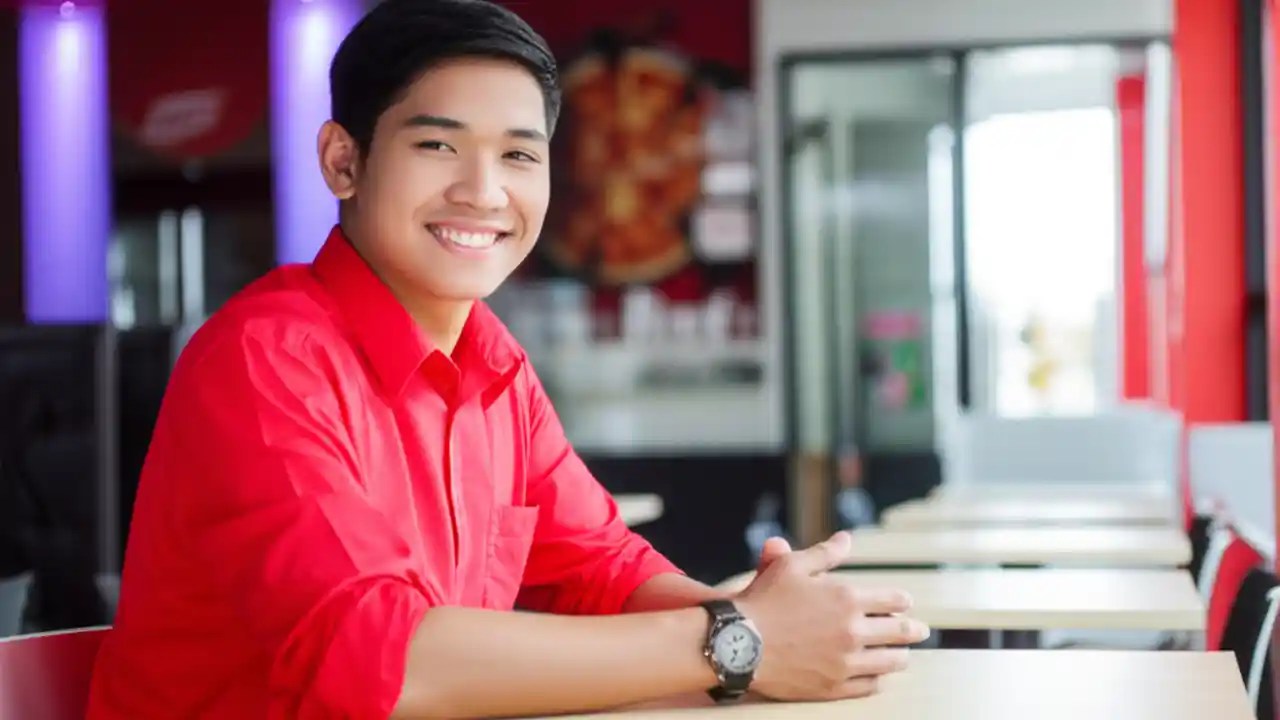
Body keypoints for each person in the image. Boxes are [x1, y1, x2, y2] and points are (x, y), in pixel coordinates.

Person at [86, 1, 929, 717]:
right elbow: (380, 661)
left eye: (520, 155)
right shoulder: (264, 359)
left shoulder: (494, 363)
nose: (484, 191)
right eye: (438, 146)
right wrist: (734, 644)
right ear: (344, 161)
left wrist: (765, 621)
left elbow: (601, 570)